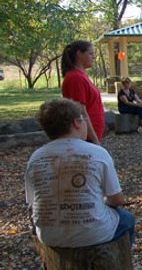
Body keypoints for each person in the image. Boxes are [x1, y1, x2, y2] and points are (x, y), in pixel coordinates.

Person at [24, 98, 135, 247]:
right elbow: (117, 200)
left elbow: (33, 201)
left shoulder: (35, 157)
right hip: (93, 233)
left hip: (48, 235)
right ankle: (120, 261)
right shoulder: (97, 153)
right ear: (76, 123)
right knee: (127, 219)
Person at [60, 40, 103, 144]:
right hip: (85, 137)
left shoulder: (82, 75)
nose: (93, 57)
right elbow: (80, 111)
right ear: (79, 54)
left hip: (90, 137)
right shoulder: (75, 78)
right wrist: (95, 140)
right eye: (90, 53)